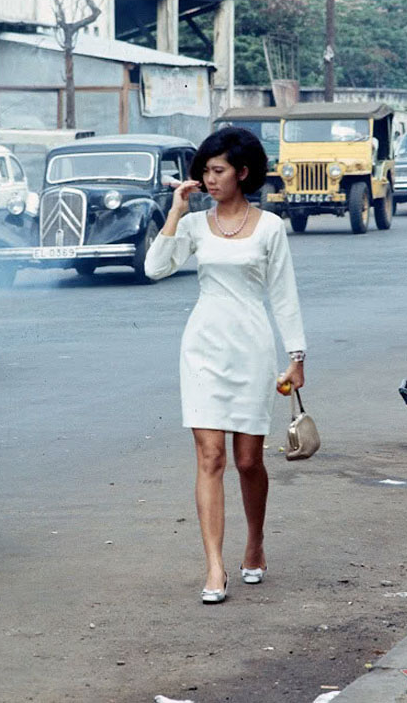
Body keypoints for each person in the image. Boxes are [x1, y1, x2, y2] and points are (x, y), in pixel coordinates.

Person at [145, 127, 306, 604]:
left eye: (217, 171)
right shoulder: (194, 226)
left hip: (252, 349)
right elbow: (156, 268)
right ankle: (215, 566)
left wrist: (296, 356)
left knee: (248, 460)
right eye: (204, 172)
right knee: (210, 456)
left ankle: (254, 542)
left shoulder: (271, 228)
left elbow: (283, 295)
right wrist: (176, 210)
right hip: (202, 349)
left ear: (243, 172)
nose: (208, 180)